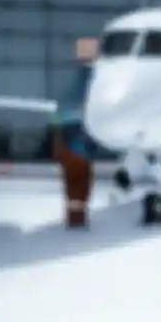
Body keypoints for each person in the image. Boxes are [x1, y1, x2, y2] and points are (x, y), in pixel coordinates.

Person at [51, 40, 98, 228]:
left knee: (72, 179)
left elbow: (58, 114)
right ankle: (77, 215)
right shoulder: (89, 80)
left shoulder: (73, 82)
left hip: (66, 134)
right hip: (77, 136)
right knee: (80, 177)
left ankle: (75, 214)